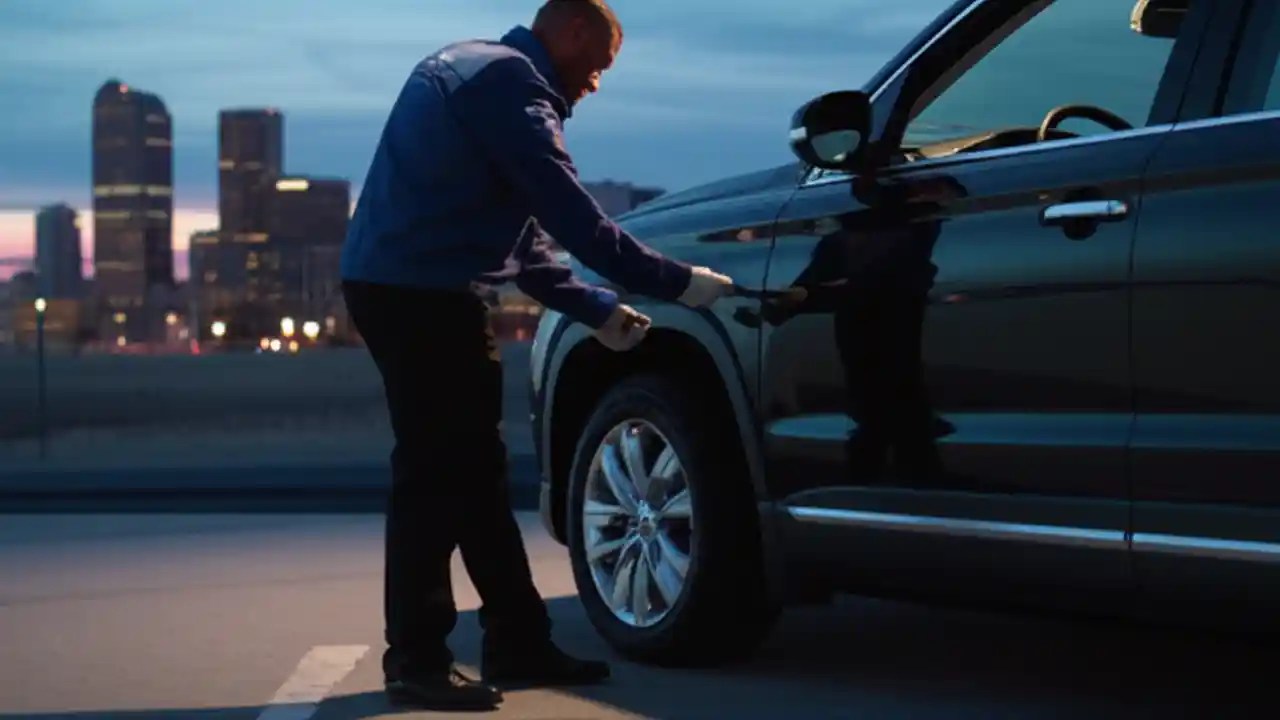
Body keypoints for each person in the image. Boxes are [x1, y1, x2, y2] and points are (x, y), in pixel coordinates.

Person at [339, 0, 734, 710]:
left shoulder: (475, 68)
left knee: (474, 470)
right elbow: (572, 215)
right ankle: (417, 660)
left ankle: (518, 638)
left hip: (408, 284)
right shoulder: (512, 85)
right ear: (573, 30)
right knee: (435, 475)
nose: (596, 83)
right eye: (600, 64)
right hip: (422, 293)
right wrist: (680, 283)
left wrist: (598, 309)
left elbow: (525, 244)